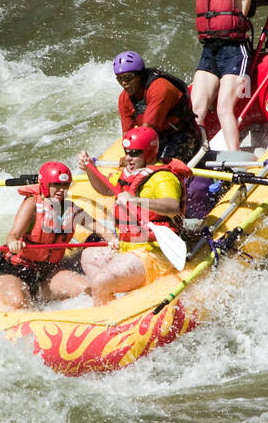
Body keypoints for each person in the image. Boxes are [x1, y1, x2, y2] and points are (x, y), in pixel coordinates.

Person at [147, 0, 268, 152]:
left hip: (235, 52)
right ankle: (192, 151)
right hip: (210, 53)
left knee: (225, 106)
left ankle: (234, 156)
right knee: (196, 107)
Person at [76, 127, 189, 306]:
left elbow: (172, 206)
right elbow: (105, 189)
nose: (129, 158)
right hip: (128, 248)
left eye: (135, 153)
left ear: (149, 152)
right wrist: (90, 169)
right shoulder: (129, 174)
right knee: (88, 256)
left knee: (100, 281)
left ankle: (104, 301)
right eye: (127, 153)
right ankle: (110, 299)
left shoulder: (163, 178)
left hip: (153, 254)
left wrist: (136, 201)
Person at [0, 161, 89, 308]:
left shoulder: (71, 209)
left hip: (47, 272)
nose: (61, 190)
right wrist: (13, 243)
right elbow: (13, 234)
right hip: (15, 270)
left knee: (86, 289)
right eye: (56, 185)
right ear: (45, 185)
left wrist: (113, 239)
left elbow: (100, 228)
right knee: (19, 302)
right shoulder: (32, 205)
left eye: (65, 185)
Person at [111, 50, 203, 164]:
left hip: (183, 134)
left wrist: (141, 162)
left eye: (128, 77)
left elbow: (147, 130)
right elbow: (127, 135)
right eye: (120, 79)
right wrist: (130, 157)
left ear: (140, 75)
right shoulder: (124, 99)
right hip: (157, 138)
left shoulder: (159, 89)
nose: (124, 83)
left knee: (161, 167)